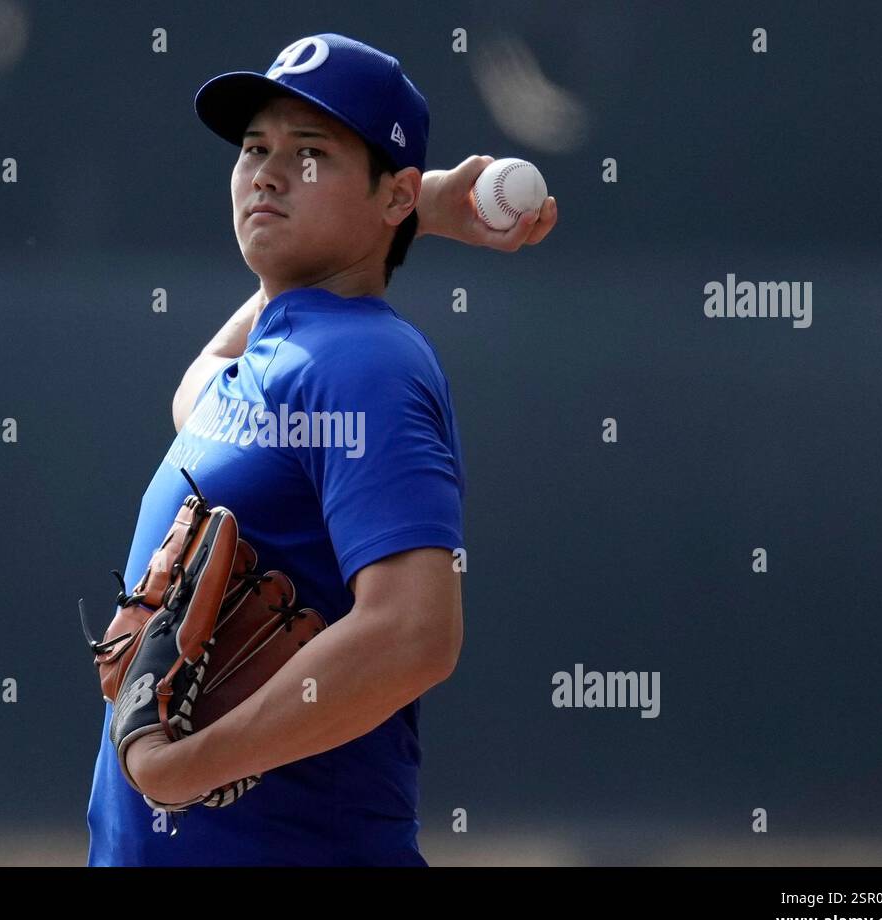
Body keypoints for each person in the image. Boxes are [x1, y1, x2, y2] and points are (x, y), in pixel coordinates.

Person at [87, 32, 558, 866]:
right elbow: (195, 385)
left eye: (310, 153)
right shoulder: (277, 351)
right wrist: (426, 212)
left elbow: (416, 632)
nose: (268, 172)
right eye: (255, 147)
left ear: (389, 193)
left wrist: (185, 768)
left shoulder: (366, 362)